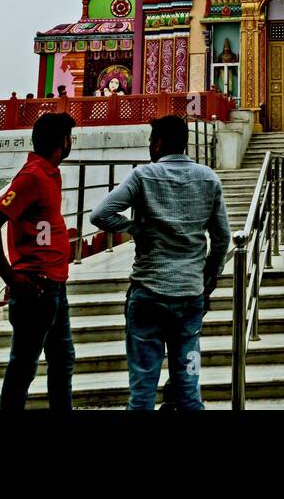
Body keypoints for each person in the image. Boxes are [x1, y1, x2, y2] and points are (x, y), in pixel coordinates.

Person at [91, 115, 230, 411]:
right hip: (190, 295)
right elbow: (222, 238)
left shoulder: (143, 176)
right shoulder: (208, 178)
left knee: (142, 389)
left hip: (148, 292)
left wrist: (133, 228)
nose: (150, 146)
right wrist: (208, 278)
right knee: (188, 386)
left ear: (159, 143)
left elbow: (100, 214)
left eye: (152, 140)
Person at [0, 111, 77, 410]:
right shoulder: (32, 176)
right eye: (69, 137)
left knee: (62, 360)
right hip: (36, 288)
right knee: (24, 367)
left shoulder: (49, 173)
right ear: (62, 141)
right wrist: (11, 277)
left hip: (54, 284)